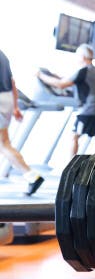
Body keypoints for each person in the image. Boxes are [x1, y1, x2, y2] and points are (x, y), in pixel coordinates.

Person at [37, 44, 95, 157]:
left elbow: (61, 85)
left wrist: (40, 75)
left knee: (74, 136)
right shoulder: (94, 70)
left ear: (83, 57)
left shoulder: (84, 70)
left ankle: (71, 167)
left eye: (77, 56)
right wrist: (54, 75)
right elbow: (68, 80)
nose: (76, 58)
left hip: (90, 111)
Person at [0, 48, 44, 195]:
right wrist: (15, 107)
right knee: (4, 143)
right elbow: (12, 82)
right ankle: (31, 176)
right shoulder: (3, 55)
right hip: (6, 99)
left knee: (3, 145)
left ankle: (31, 176)